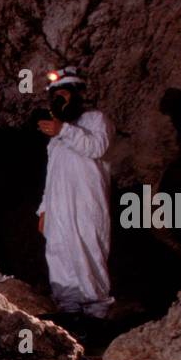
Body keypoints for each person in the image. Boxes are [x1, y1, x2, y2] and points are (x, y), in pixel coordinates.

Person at [36, 66, 114, 319]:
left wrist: (64, 130)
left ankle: (96, 312)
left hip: (85, 203)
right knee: (59, 253)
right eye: (56, 94)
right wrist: (44, 210)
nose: (60, 98)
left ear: (77, 93)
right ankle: (69, 311)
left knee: (88, 251)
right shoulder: (55, 139)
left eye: (65, 93)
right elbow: (52, 177)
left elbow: (96, 148)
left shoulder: (96, 120)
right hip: (58, 208)